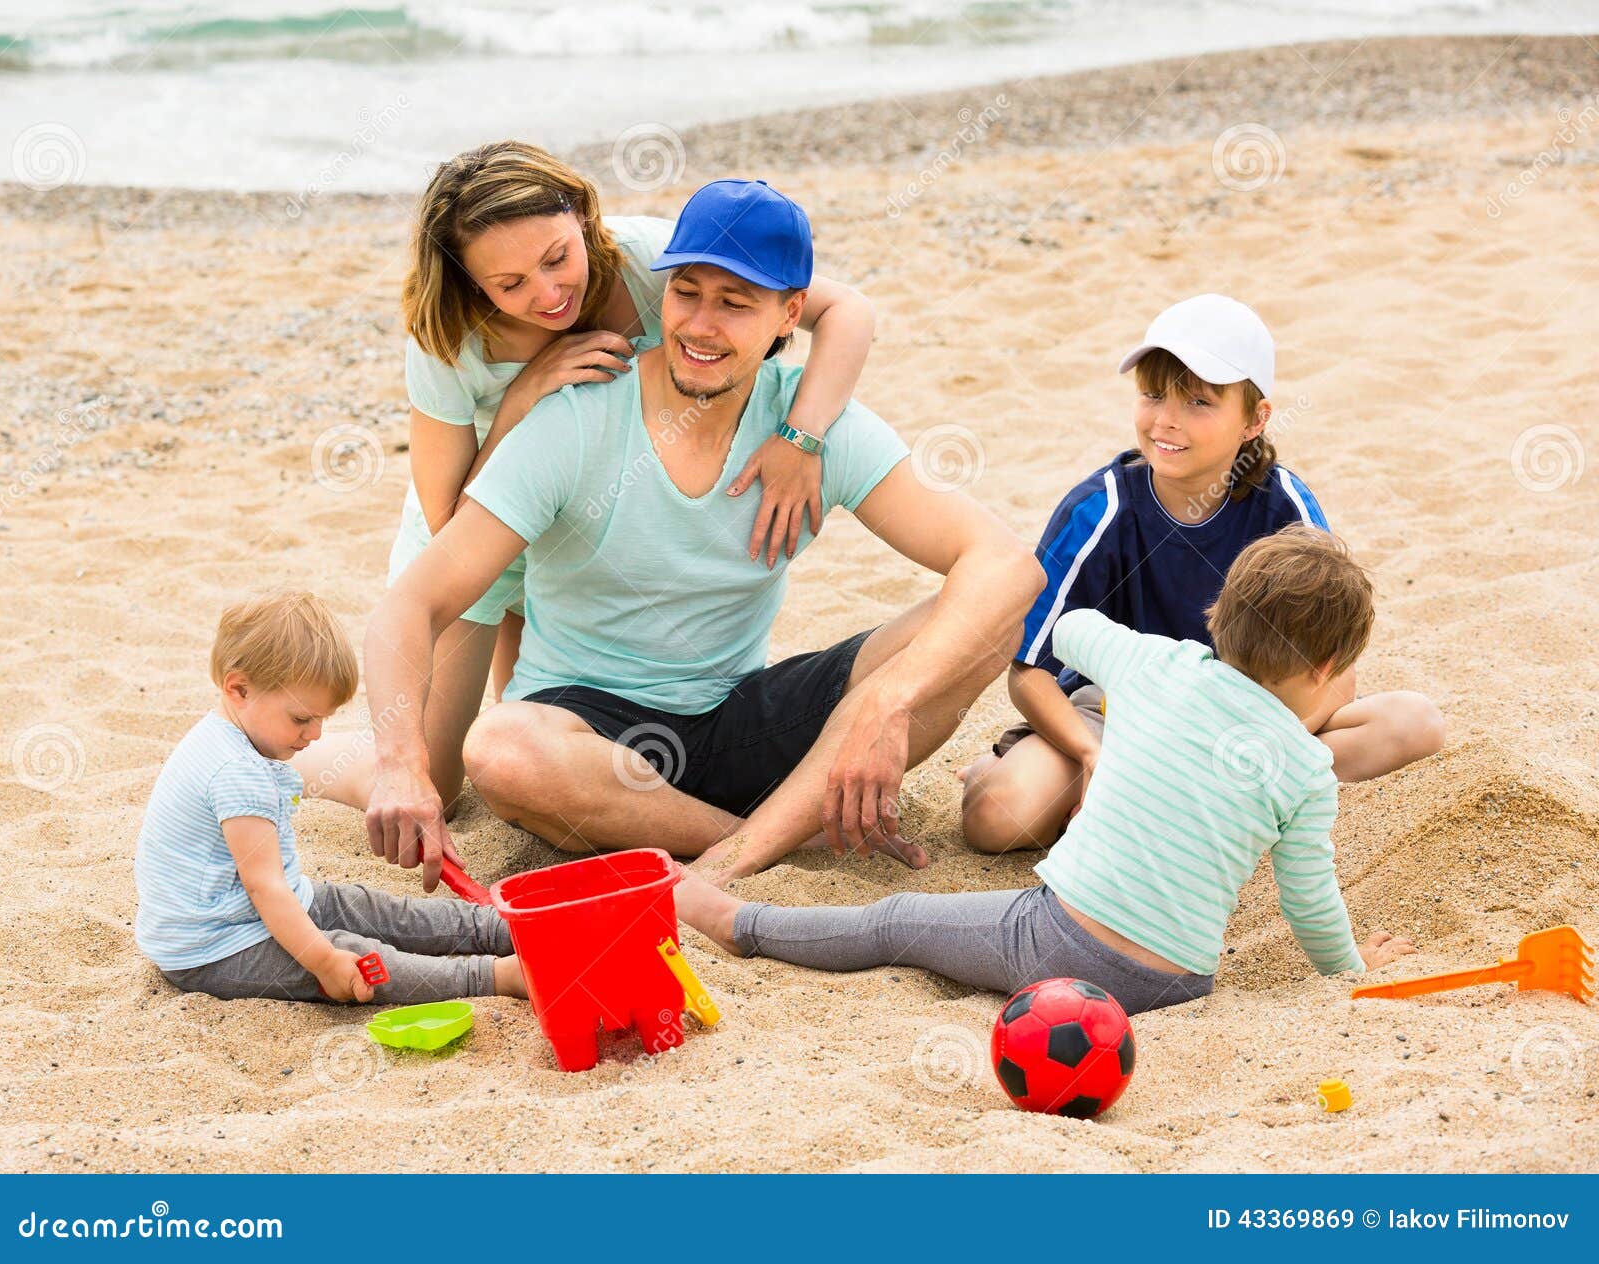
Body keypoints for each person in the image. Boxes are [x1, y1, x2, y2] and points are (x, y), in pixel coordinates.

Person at [360, 178, 1044, 891]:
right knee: (501, 748)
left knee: (984, 619)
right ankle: (750, 846)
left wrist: (885, 703)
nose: (701, 326)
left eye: (735, 304)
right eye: (687, 294)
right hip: (594, 734)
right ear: (662, 293)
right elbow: (410, 603)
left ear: (790, 315)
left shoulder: (809, 428)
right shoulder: (575, 418)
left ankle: (752, 838)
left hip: (739, 714)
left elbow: (1005, 563)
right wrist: (402, 766)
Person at [295, 141, 880, 818]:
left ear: (582, 215)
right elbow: (449, 528)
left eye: (556, 259)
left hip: (586, 531)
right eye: (509, 285)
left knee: (552, 765)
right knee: (440, 783)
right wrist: (525, 397)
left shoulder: (649, 260)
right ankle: (294, 757)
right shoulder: (447, 338)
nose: (548, 295)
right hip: (487, 542)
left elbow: (848, 312)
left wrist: (799, 437)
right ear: (470, 280)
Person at [675, 527, 1419, 1014]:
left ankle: (740, 923)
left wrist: (1137, 661)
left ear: (1218, 619)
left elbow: (1069, 629)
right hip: (1178, 986)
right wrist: (1349, 969)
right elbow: (1309, 900)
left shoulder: (1159, 663)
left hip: (1055, 942)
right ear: (1328, 668)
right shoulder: (1307, 768)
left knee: (895, 922)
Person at [960, 294, 1444, 855]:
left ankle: (1187, 798)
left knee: (1415, 724)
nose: (1166, 419)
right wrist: (1095, 757)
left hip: (1245, 718)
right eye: (1152, 393)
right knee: (998, 818)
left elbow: (1334, 665)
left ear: (1255, 419)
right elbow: (1028, 671)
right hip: (1115, 720)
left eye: (1198, 402)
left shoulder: (1283, 507)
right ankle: (1005, 770)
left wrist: (1255, 745)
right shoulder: (1100, 510)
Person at [134, 592, 522, 1004]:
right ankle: (496, 976)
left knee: (363, 906)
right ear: (239, 689)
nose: (316, 734)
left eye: (321, 719)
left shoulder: (233, 739)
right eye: (301, 718)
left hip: (253, 910)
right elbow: (264, 888)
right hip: (216, 946)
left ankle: (497, 927)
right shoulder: (235, 771)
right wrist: (323, 960)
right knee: (356, 957)